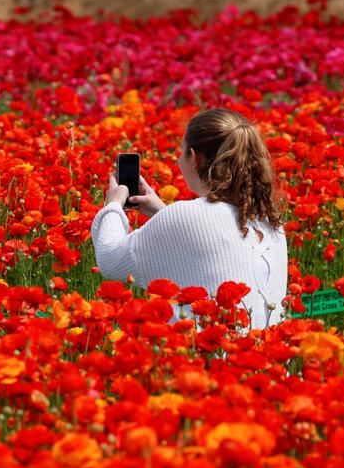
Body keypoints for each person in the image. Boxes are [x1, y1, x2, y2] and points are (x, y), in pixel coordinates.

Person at [91, 108, 288, 330]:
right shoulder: (271, 223)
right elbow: (210, 244)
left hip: (205, 361)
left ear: (195, 158)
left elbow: (111, 260)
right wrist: (162, 212)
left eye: (181, 150)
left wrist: (114, 205)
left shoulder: (186, 216)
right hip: (265, 361)